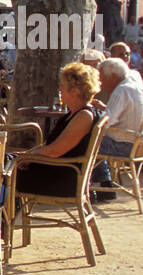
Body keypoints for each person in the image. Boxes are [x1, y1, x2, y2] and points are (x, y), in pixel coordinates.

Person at [14, 63, 104, 197]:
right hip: (55, 170)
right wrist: (26, 155)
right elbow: (48, 146)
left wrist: (27, 157)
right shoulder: (74, 113)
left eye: (63, 86)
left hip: (61, 178)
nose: (60, 90)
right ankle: (3, 214)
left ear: (75, 91)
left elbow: (55, 151)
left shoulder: (84, 116)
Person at [89, 57, 143, 199]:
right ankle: (104, 183)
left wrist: (87, 118)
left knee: (86, 141)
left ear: (114, 77)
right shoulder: (137, 86)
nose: (101, 84)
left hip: (125, 145)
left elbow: (106, 122)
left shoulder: (121, 90)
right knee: (94, 139)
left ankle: (96, 185)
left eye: (102, 79)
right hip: (141, 143)